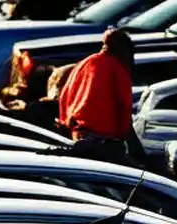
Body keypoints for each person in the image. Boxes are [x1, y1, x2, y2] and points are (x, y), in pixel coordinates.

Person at [57, 28, 140, 165]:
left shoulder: (84, 64)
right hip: (102, 139)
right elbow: (124, 107)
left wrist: (66, 123)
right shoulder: (117, 69)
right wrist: (124, 137)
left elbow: (65, 95)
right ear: (124, 50)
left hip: (77, 133)